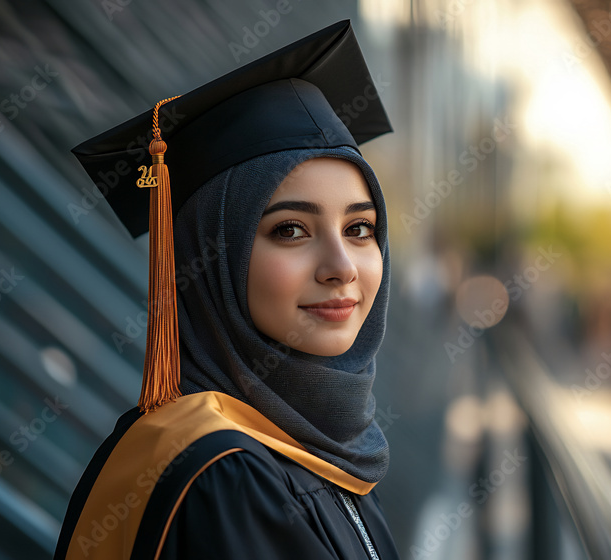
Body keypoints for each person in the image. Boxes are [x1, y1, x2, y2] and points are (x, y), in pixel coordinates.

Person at [54, 20, 399, 559]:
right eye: (290, 230)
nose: (341, 267)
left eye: (359, 229)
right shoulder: (224, 474)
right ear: (209, 259)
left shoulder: (323, 448)